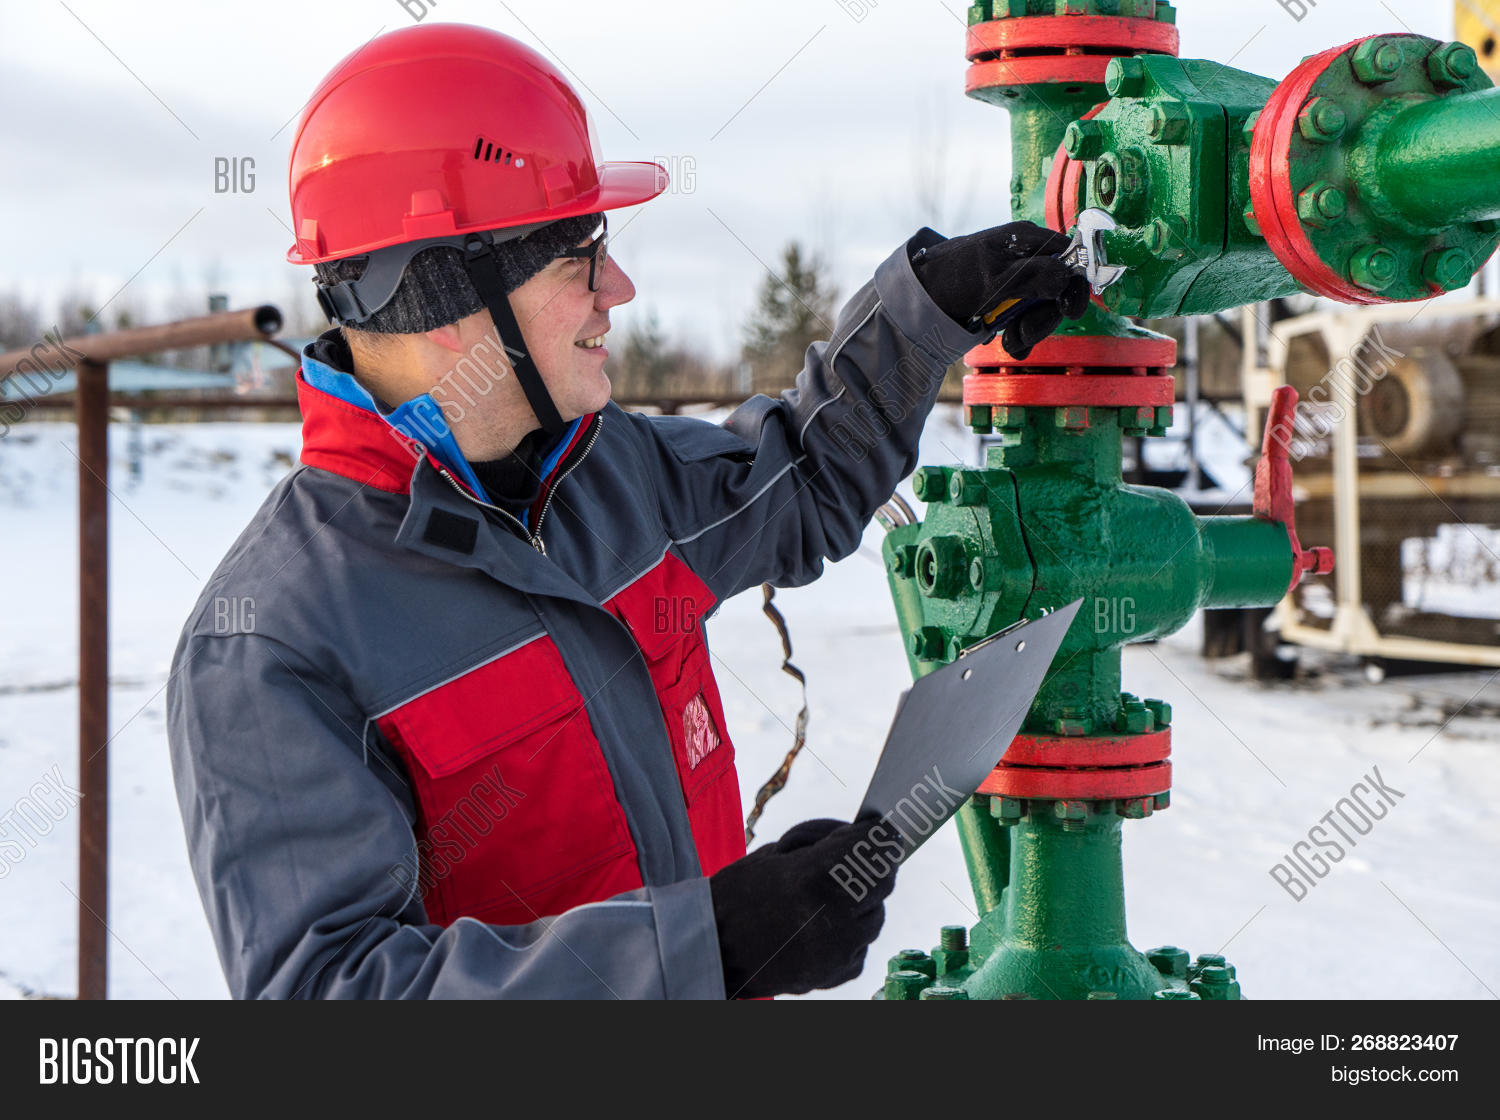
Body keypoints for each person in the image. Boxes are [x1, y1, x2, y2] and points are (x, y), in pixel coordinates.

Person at [166, 22, 1088, 999]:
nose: (620, 289)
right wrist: (703, 949)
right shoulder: (271, 644)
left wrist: (929, 310)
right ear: (443, 291)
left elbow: (802, 480)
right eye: (579, 257)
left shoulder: (616, 474)